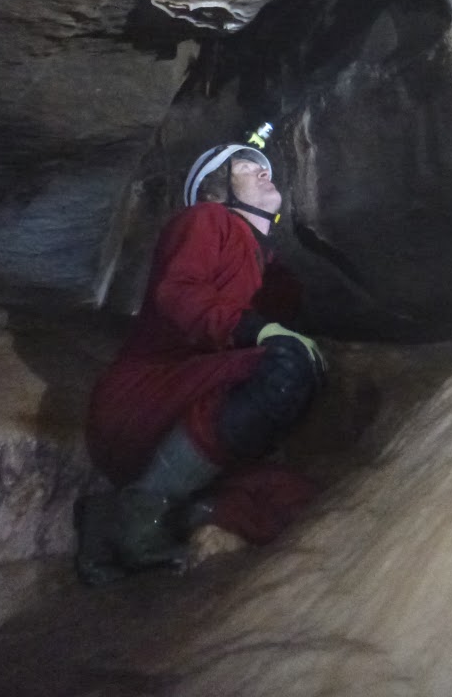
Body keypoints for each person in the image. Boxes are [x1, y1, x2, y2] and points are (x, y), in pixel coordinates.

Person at [76, 141, 324, 585]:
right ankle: (143, 507)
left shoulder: (270, 267)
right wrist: (258, 331)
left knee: (292, 501)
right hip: (143, 399)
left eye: (261, 165)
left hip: (197, 421)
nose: (262, 170)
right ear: (214, 191)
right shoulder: (206, 220)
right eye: (245, 167)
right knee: (287, 364)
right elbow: (180, 293)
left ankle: (124, 520)